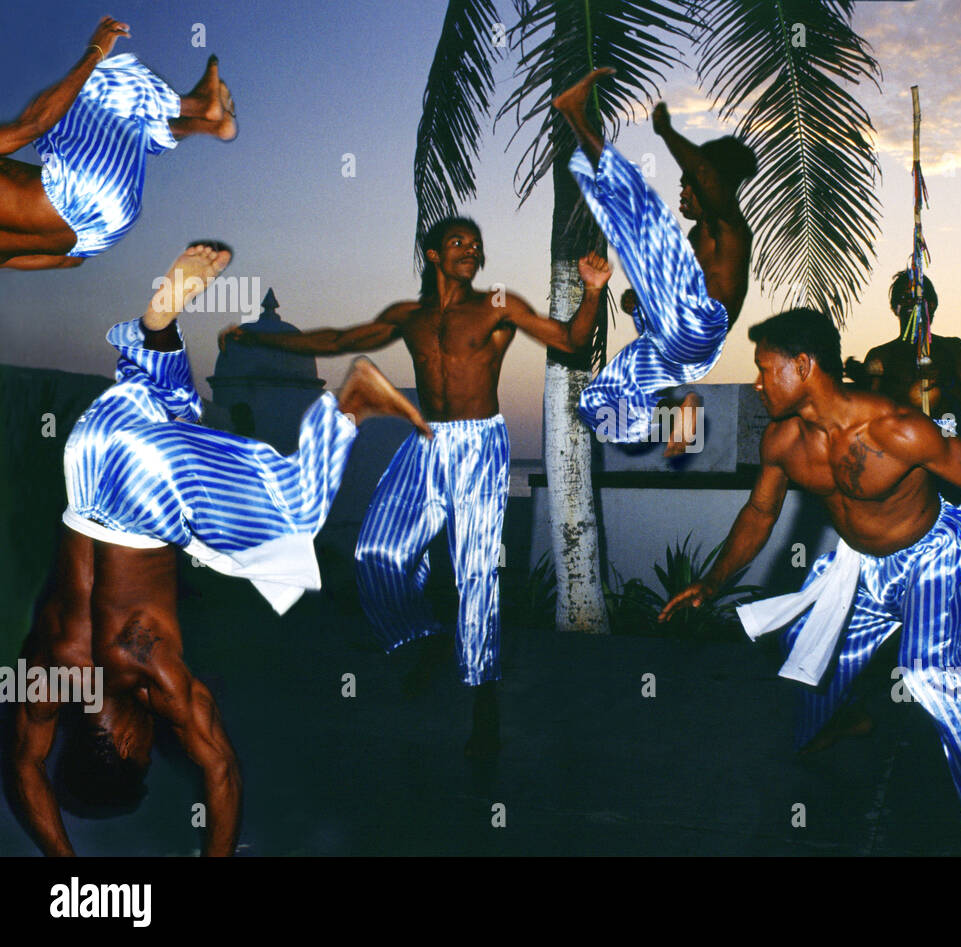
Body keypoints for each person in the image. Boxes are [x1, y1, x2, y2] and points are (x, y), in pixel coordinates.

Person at [9, 244, 427, 856]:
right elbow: (25, 768)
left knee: (296, 517)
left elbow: (222, 774)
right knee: (166, 408)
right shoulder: (48, 670)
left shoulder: (154, 674)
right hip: (90, 455)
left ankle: (353, 400)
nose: (152, 746)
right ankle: (156, 332)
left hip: (149, 493)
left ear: (125, 747)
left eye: (143, 756)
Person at [659, 308, 961, 842]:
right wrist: (712, 582)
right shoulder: (782, 442)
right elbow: (759, 514)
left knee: (929, 674)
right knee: (809, 652)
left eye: (764, 369)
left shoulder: (897, 429)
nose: (757, 384)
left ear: (803, 365)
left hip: (933, 552)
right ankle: (850, 717)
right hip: (858, 562)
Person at [220, 218, 611, 756]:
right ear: (433, 255)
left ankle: (483, 702)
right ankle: (425, 637)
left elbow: (570, 340)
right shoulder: (410, 317)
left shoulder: (498, 303)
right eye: (458, 244)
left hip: (479, 445)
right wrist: (248, 336)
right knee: (374, 550)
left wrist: (592, 291)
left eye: (475, 245)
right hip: (426, 441)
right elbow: (340, 339)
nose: (471, 251)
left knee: (476, 574)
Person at [552, 68, 757, 456]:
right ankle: (675, 412)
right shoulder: (698, 237)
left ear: (712, 185)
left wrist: (666, 132)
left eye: (687, 185)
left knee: (638, 211)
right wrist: (640, 303)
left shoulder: (728, 226)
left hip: (699, 327)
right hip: (676, 350)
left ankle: (575, 113)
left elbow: (704, 174)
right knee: (598, 405)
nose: (682, 191)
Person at [0, 17, 236, 270]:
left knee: (100, 124)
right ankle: (195, 106)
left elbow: (67, 261)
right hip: (78, 195)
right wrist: (95, 51)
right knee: (84, 91)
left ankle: (204, 124)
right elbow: (33, 125)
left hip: (101, 233)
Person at [844, 271, 961, 431]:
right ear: (895, 308)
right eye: (902, 298)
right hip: (898, 444)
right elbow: (866, 419)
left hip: (944, 441)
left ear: (931, 304)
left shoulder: (951, 348)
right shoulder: (881, 355)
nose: (908, 302)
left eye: (915, 297)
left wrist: (947, 382)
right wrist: (864, 380)